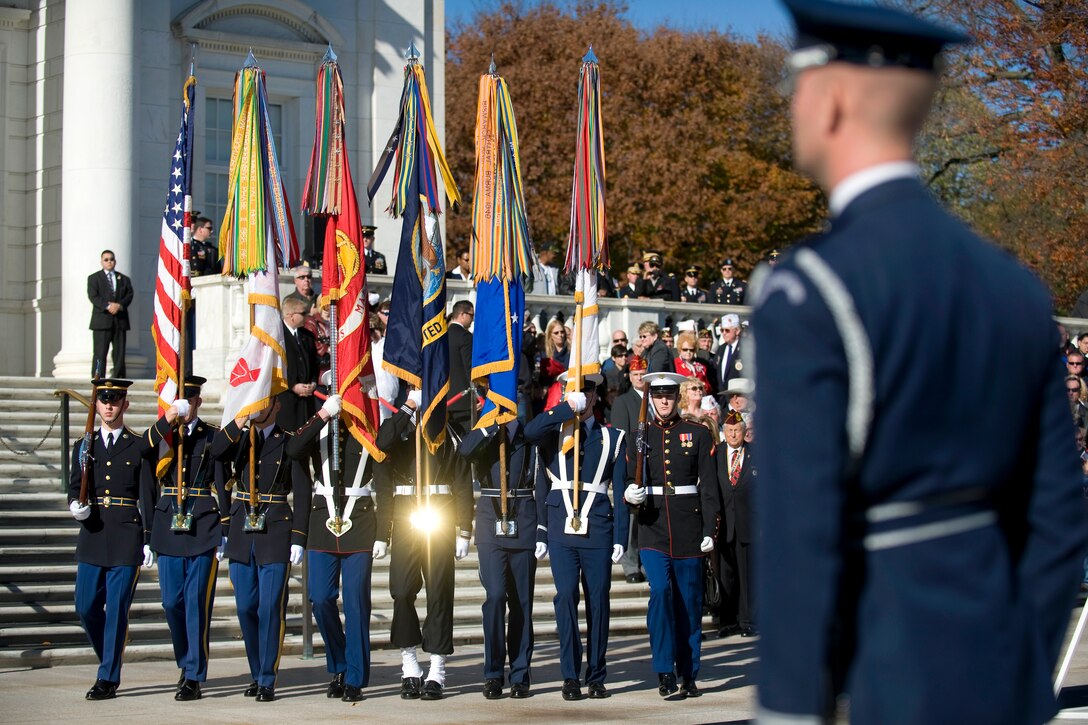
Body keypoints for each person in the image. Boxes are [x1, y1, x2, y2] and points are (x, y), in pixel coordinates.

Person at [754, 2, 1086, 722]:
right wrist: (1019, 670)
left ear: (833, 98)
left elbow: (799, 524)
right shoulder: (1015, 287)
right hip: (1001, 673)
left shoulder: (811, 287)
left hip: (883, 672)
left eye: (795, 86)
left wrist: (789, 706)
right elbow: (1058, 512)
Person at [524, 373, 628, 700]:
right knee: (565, 596)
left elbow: (622, 492)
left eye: (588, 390)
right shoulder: (554, 432)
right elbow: (529, 432)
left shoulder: (613, 438)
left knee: (598, 601)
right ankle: (570, 674)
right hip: (560, 527)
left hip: (597, 526)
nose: (584, 395)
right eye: (577, 389)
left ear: (596, 396)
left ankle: (596, 674)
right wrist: (565, 409)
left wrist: (621, 538)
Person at [373, 389, 474, 701]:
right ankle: (410, 663)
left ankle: (437, 669)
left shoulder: (450, 431)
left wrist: (465, 529)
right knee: (401, 590)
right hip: (405, 519)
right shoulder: (397, 428)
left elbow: (461, 481)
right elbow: (381, 444)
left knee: (439, 593)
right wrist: (408, 409)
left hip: (439, 518)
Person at [623, 372, 718, 698]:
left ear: (676, 397)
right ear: (650, 397)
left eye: (669, 394)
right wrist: (628, 494)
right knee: (660, 593)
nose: (663, 400)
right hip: (653, 528)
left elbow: (708, 486)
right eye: (658, 394)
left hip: (688, 528)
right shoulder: (639, 434)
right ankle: (664, 669)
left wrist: (710, 529)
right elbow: (627, 476)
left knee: (689, 605)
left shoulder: (697, 433)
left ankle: (688, 672)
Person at [210, 399, 310, 702]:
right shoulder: (238, 438)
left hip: (276, 528)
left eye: (265, 400)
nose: (258, 406)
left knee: (270, 608)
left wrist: (299, 537)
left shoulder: (288, 441)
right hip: (242, 528)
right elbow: (216, 452)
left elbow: (302, 489)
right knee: (245, 608)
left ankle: (267, 676)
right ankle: (256, 672)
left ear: (276, 405)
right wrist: (240, 421)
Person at [67, 378, 156, 700]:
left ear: (125, 405)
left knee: (116, 609)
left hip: (125, 534)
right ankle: (109, 650)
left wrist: (149, 538)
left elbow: (148, 494)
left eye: (115, 400)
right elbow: (74, 485)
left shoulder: (136, 445)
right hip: (92, 532)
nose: (109, 406)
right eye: (104, 400)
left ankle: (107, 677)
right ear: (97, 404)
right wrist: (74, 506)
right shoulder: (84, 445)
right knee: (85, 605)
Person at [285, 392, 376, 702]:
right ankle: (339, 663)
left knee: (355, 602)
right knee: (321, 598)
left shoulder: (368, 426)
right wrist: (323, 415)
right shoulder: (319, 426)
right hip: (323, 522)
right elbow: (294, 449)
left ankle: (354, 676)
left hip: (359, 522)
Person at [146, 375, 226, 701]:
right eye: (182, 399)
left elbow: (223, 481)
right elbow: (141, 451)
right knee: (171, 602)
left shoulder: (212, 436)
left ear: (198, 402)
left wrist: (225, 528)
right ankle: (185, 659)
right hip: (168, 524)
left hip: (203, 525)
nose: (187, 405)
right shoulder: (165, 437)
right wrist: (167, 421)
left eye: (191, 400)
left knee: (196, 601)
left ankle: (194, 673)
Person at [459, 418, 536, 700]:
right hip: (491, 522)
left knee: (521, 602)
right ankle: (493, 673)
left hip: (524, 520)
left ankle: (520, 673)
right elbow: (464, 451)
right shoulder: (485, 434)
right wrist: (489, 428)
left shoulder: (529, 435)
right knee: (494, 597)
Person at [715, 410, 756, 639]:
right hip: (724, 524)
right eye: (729, 430)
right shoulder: (716, 454)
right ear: (723, 432)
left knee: (747, 575)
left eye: (737, 430)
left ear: (744, 432)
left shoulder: (755, 454)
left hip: (748, 523)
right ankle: (727, 621)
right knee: (725, 576)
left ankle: (748, 620)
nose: (733, 434)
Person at [609, 355, 649, 583]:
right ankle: (631, 564)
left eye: (643, 374)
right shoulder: (623, 401)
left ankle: (645, 562)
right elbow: (620, 435)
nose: (640, 377)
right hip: (632, 464)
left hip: (653, 465)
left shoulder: (655, 398)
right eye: (635, 374)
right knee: (631, 518)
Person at [87, 250, 134, 378]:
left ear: (115, 261)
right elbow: (93, 296)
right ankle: (98, 376)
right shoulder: (94, 278)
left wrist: (119, 306)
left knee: (119, 352)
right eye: (106, 259)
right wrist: (108, 306)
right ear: (101, 262)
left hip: (120, 321)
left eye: (111, 259)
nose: (109, 262)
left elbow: (129, 295)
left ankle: (119, 376)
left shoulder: (123, 279)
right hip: (102, 321)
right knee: (100, 352)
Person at [278, 297, 320, 434]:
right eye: (303, 313)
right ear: (291, 316)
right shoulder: (278, 336)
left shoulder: (307, 336)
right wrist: (293, 386)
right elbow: (277, 367)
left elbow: (314, 363)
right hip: (286, 400)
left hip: (307, 401)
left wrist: (313, 382)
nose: (307, 316)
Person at [714, 313, 743, 393]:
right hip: (722, 396)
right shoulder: (721, 349)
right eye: (722, 330)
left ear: (737, 331)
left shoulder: (744, 348)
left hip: (738, 395)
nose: (724, 333)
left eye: (727, 330)